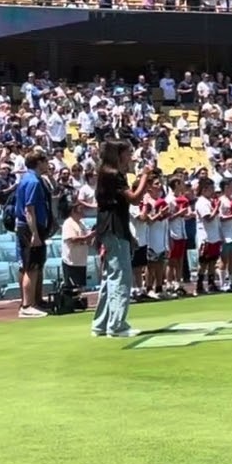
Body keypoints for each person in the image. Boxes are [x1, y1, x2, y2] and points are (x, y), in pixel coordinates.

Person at [91, 139, 153, 338]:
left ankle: (101, 324)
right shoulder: (114, 175)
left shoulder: (106, 174)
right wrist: (144, 177)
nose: (130, 157)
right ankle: (117, 325)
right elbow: (134, 198)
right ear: (118, 154)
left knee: (111, 277)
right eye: (127, 153)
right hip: (113, 228)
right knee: (120, 277)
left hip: (112, 227)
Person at [13, 150, 52, 318]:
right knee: (32, 266)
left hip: (30, 226)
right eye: (45, 161)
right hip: (30, 228)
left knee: (34, 265)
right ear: (39, 162)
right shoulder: (33, 182)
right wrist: (35, 233)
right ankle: (28, 305)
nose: (47, 164)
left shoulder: (29, 179)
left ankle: (35, 301)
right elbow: (29, 210)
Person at [60, 197, 95, 290]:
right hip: (71, 263)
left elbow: (88, 239)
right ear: (73, 210)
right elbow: (71, 239)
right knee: (72, 289)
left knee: (80, 288)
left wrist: (91, 237)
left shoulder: (82, 223)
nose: (82, 210)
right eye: (80, 208)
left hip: (81, 261)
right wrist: (86, 237)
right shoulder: (68, 223)